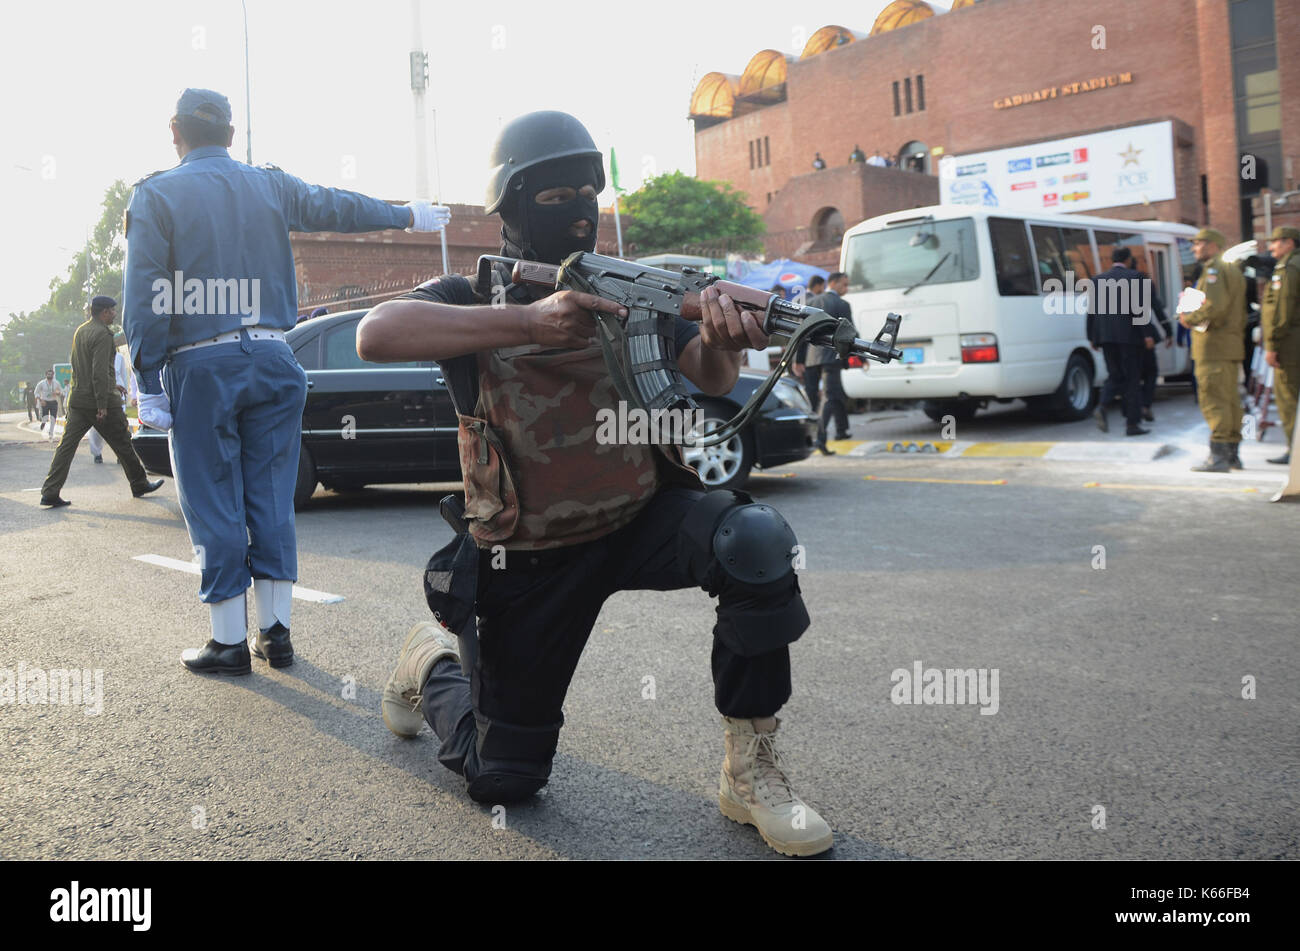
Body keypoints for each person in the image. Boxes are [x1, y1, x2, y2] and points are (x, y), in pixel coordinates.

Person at [359, 110, 833, 857]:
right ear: (511, 205)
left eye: (589, 192)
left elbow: (705, 377)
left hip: (640, 519)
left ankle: (750, 771)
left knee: (755, 539)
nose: (578, 210)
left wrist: (717, 336)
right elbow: (376, 333)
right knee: (505, 777)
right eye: (554, 195)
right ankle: (433, 662)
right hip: (529, 552)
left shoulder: (632, 291)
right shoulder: (467, 296)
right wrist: (527, 324)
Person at [121, 88, 451, 676]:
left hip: (202, 365)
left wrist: (148, 381)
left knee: (212, 501)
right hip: (275, 359)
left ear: (176, 130)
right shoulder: (270, 185)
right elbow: (338, 206)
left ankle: (227, 642)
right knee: (272, 495)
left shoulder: (157, 194)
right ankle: (276, 636)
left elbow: (146, 294)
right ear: (229, 130)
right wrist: (408, 214)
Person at [38, 297, 162, 508]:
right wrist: (102, 404)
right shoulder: (103, 335)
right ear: (104, 313)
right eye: (112, 311)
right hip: (99, 401)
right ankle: (139, 483)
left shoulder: (81, 331)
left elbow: (83, 368)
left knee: (66, 447)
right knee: (123, 442)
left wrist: (114, 386)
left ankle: (50, 491)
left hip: (78, 400)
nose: (114, 314)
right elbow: (98, 372)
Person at [1179, 228, 1247, 472]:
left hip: (1213, 346)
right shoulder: (1232, 269)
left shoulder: (1214, 270)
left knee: (1214, 400)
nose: (1194, 249)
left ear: (1211, 245)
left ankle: (1218, 457)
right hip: (1228, 346)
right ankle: (1231, 455)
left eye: (1197, 244)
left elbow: (1215, 308)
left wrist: (1189, 318)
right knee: (1230, 401)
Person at [1087, 247, 1154, 436]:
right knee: (1132, 380)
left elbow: (1091, 312)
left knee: (1115, 375)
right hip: (1130, 337)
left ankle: (1101, 406)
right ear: (1128, 259)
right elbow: (1139, 309)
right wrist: (1147, 334)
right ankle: (1132, 424)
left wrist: (1092, 337)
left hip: (1105, 337)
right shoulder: (1136, 277)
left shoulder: (1097, 280)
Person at [1259, 225, 1300, 464]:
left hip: (1289, 342)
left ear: (1289, 243)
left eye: (1275, 242)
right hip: (1293, 338)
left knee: (1288, 398)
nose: (1271, 247)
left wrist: (1272, 344)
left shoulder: (1288, 267)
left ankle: (1294, 451)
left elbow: (1283, 310)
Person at [810, 271, 853, 450]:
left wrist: (798, 360)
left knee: (835, 393)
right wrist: (858, 356)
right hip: (831, 356)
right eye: (844, 284)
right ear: (833, 283)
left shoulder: (812, 302)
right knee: (829, 397)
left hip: (812, 358)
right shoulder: (842, 304)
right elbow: (849, 335)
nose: (846, 288)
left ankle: (842, 430)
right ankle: (820, 438)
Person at [87, 332, 136, 463]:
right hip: (99, 395)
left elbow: (123, 377)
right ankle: (97, 453)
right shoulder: (93, 357)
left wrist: (125, 394)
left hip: (117, 395)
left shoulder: (119, 357)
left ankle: (121, 454)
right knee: (97, 426)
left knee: (119, 425)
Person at [33, 369, 63, 441]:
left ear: (53, 375)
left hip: (53, 402)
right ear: (46, 375)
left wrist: (58, 393)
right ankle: (43, 423)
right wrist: (40, 400)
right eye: (48, 374)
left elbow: (61, 392)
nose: (50, 376)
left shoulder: (56, 383)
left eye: (51, 374)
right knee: (45, 417)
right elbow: (36, 392)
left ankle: (51, 433)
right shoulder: (41, 383)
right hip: (45, 402)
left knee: (53, 418)